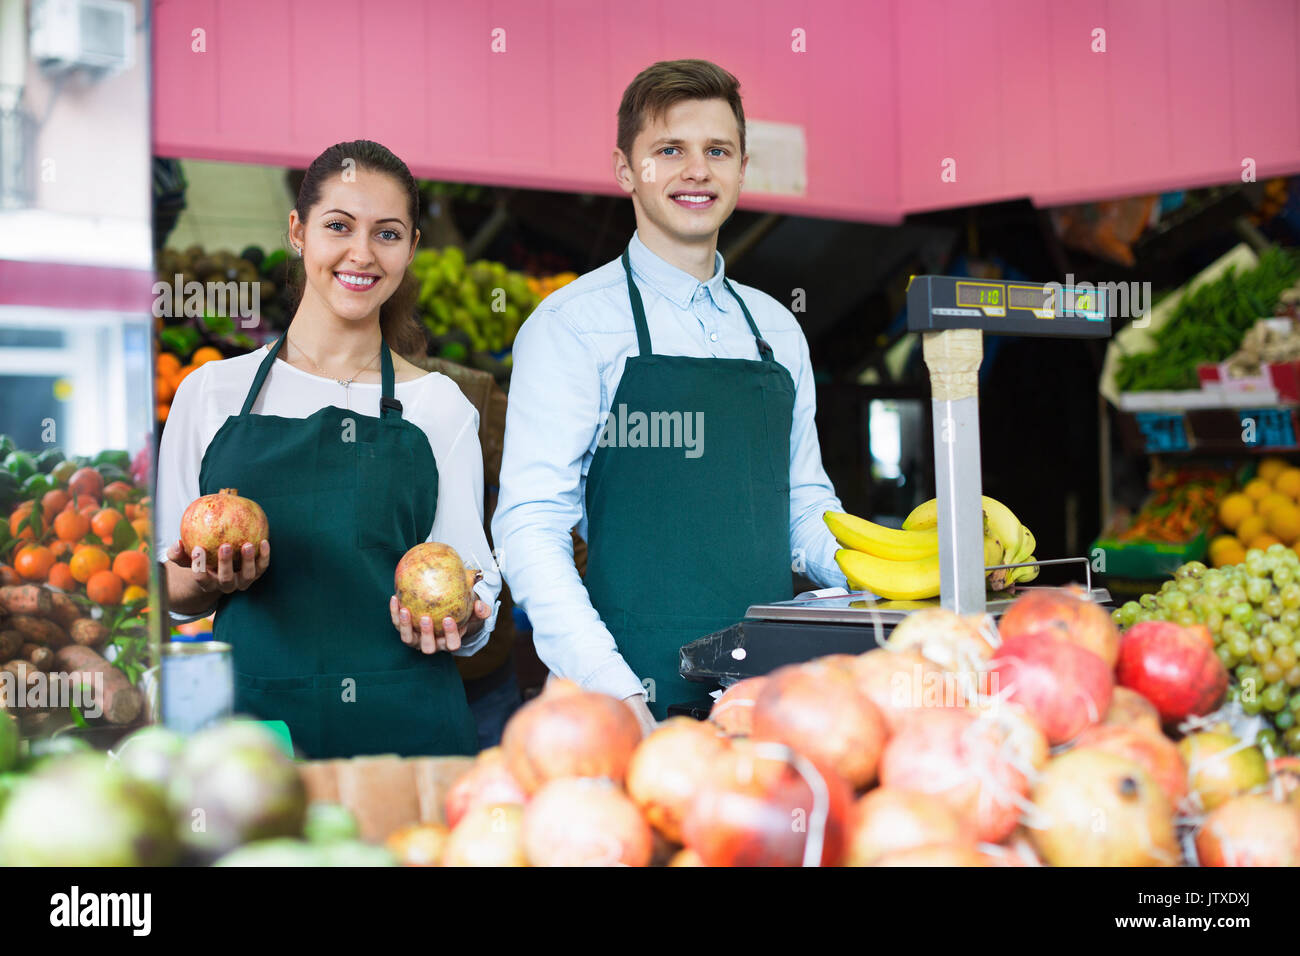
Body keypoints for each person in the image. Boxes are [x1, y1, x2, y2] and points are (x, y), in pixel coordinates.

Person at [493, 60, 846, 730]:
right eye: (669, 151)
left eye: (717, 151)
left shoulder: (776, 328)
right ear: (627, 170)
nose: (697, 171)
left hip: (772, 698)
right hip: (632, 691)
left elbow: (803, 505)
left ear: (743, 168)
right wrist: (614, 692)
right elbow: (531, 527)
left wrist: (893, 581)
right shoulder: (570, 326)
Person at [157, 140, 500, 758]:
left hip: (408, 734)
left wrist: (462, 618)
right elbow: (171, 591)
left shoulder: (440, 406)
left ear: (413, 248)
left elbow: (472, 575)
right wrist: (211, 580)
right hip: (255, 738)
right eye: (338, 226)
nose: (361, 254)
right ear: (298, 231)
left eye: (388, 234)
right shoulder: (211, 392)